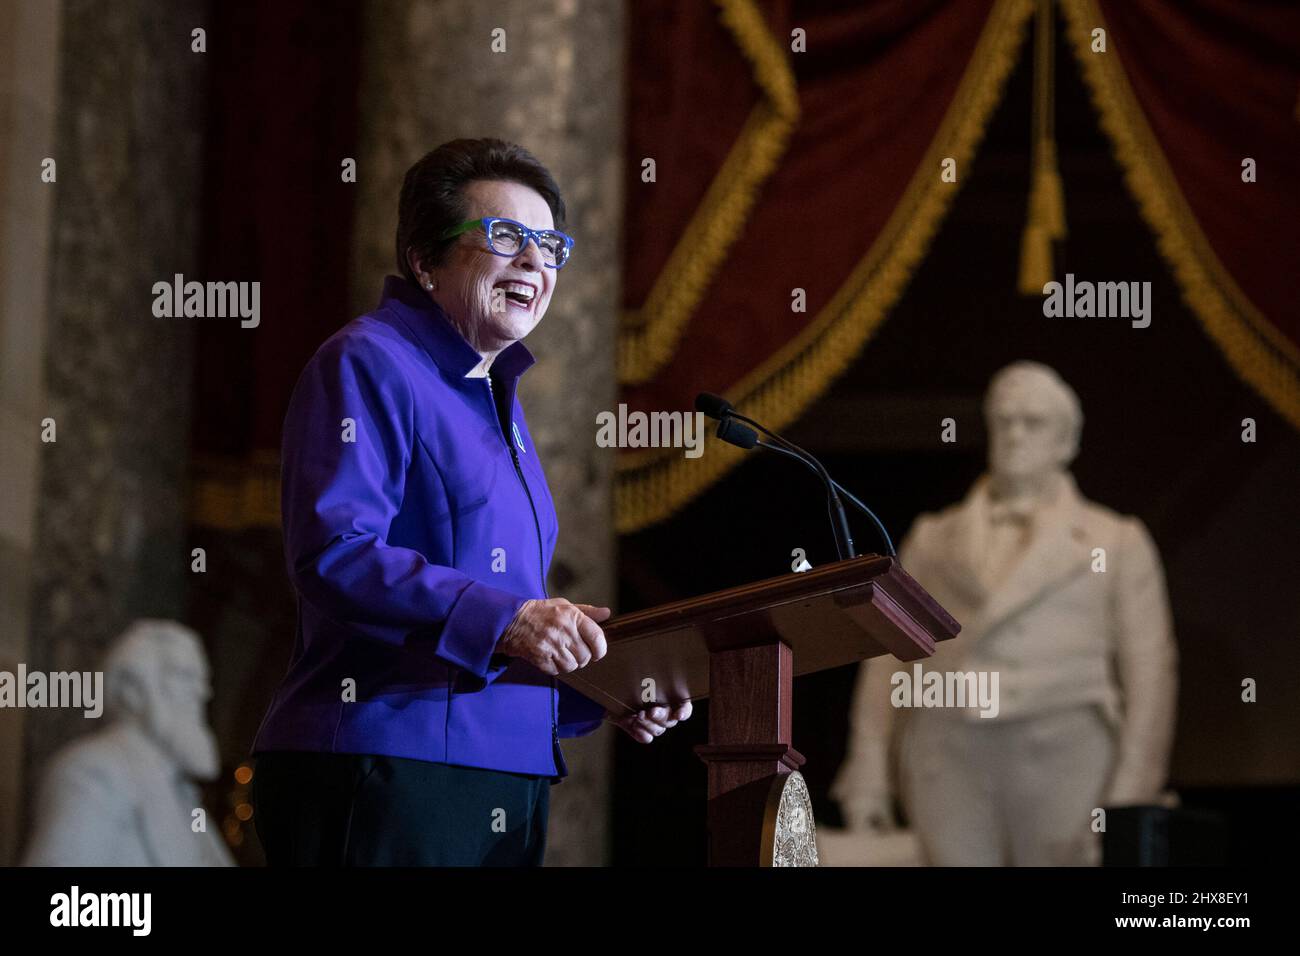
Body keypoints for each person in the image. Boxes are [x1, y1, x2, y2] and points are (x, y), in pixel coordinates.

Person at [251, 138, 691, 867]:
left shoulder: (499, 404)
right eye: (506, 237)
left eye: (549, 245)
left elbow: (492, 632)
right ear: (424, 259)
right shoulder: (369, 361)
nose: (534, 263)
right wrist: (512, 618)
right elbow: (334, 554)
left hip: (508, 773)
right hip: (391, 760)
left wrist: (603, 686)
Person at [831, 361, 1177, 865]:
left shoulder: (1115, 541)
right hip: (947, 752)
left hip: (1067, 756)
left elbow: (1150, 675)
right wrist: (867, 769)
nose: (1015, 434)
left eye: (1033, 423)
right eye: (1004, 421)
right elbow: (886, 658)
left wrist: (1133, 789)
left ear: (1066, 441)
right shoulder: (934, 537)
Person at [24, 619, 234, 867]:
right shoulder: (93, 772)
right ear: (132, 688)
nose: (202, 691)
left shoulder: (182, 793)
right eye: (184, 675)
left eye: (202, 678)